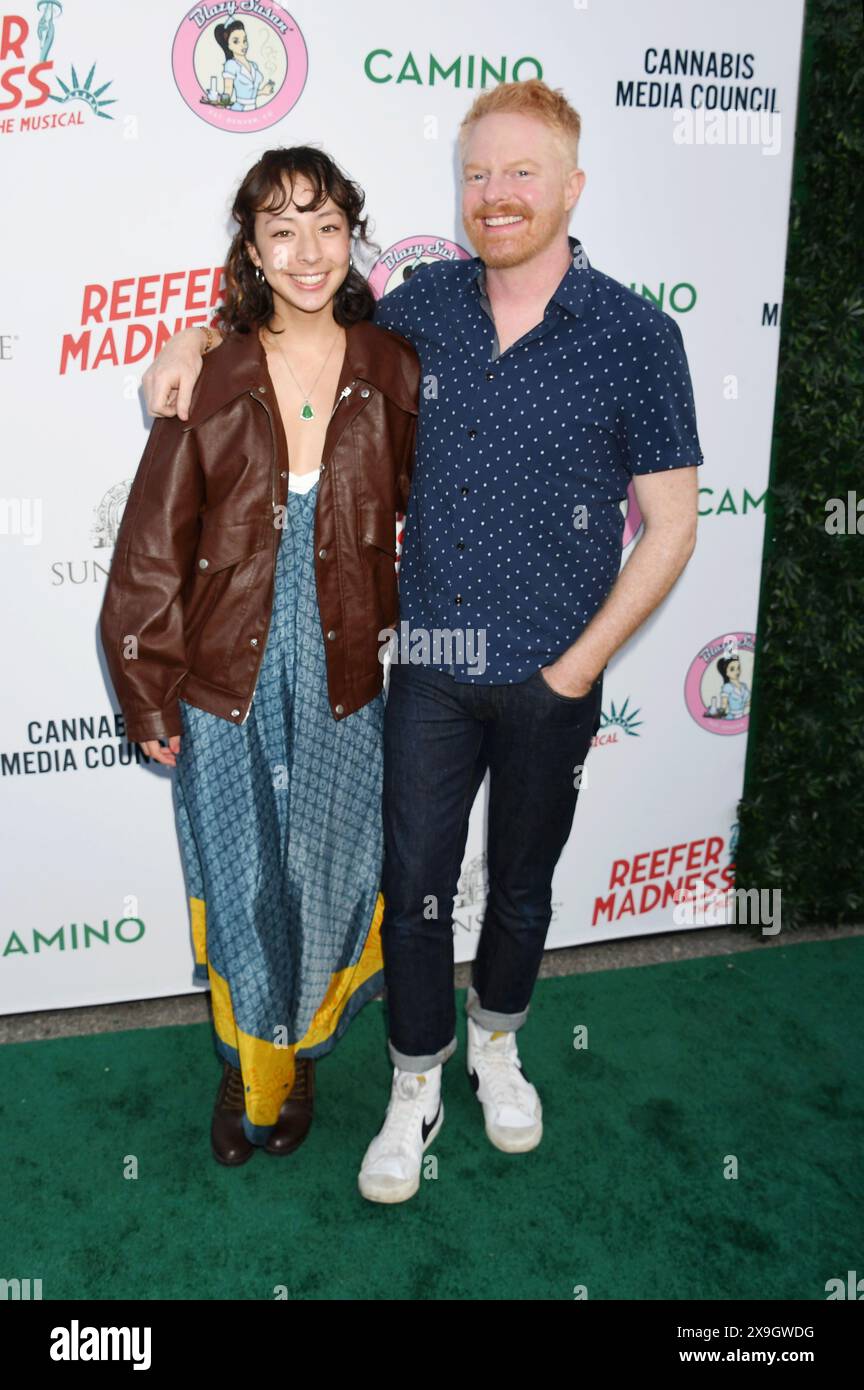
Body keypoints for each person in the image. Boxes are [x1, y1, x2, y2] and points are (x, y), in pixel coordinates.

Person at [141, 79, 704, 1204]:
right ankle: (413, 1079)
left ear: (572, 186)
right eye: (479, 174)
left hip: (560, 671)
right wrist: (190, 339)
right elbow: (296, 314)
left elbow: (675, 524)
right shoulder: (422, 307)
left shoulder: (639, 334)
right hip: (430, 670)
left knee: (526, 887)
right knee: (413, 880)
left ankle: (498, 1046)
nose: (496, 195)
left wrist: (577, 668)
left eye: (521, 174)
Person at [100, 147, 419, 1166]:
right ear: (252, 248)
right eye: (282, 229)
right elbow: (151, 543)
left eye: (326, 224)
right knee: (240, 877)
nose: (308, 250)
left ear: (351, 235)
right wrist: (145, 690)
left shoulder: (392, 369)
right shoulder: (212, 377)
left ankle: (306, 1052)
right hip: (224, 682)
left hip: (345, 679)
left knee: (323, 871)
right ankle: (248, 1064)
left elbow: (433, 515)